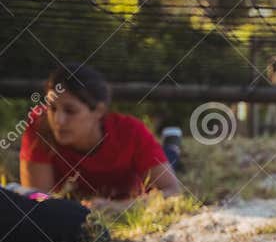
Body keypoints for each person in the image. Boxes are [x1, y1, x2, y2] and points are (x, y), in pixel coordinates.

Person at [19, 64, 181, 211]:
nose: (58, 120)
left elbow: (173, 191)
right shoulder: (40, 124)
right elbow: (37, 201)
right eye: (52, 108)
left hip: (133, 192)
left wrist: (117, 207)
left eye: (70, 111)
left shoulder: (130, 131)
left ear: (99, 111)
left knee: (170, 158)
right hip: (78, 201)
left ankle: (172, 145)